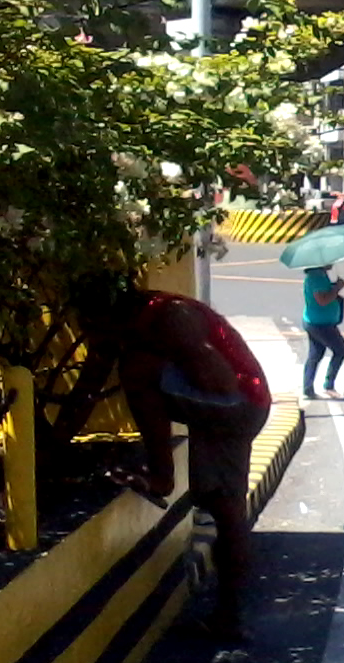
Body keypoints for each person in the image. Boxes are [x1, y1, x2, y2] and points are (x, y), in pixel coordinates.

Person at [75, 275, 271, 645]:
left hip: (239, 402)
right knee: (221, 506)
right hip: (225, 405)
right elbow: (87, 389)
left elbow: (221, 384)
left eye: (91, 326)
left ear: (110, 314)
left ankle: (162, 476)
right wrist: (50, 449)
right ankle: (226, 620)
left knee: (228, 510)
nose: (88, 335)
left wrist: (157, 364)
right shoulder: (125, 327)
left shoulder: (170, 318)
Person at [302, 264, 344, 400]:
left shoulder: (320, 275)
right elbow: (322, 300)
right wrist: (337, 288)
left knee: (315, 354)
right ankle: (328, 385)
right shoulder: (316, 277)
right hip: (320, 324)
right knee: (341, 350)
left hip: (317, 321)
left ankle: (308, 387)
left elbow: (323, 293)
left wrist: (334, 286)